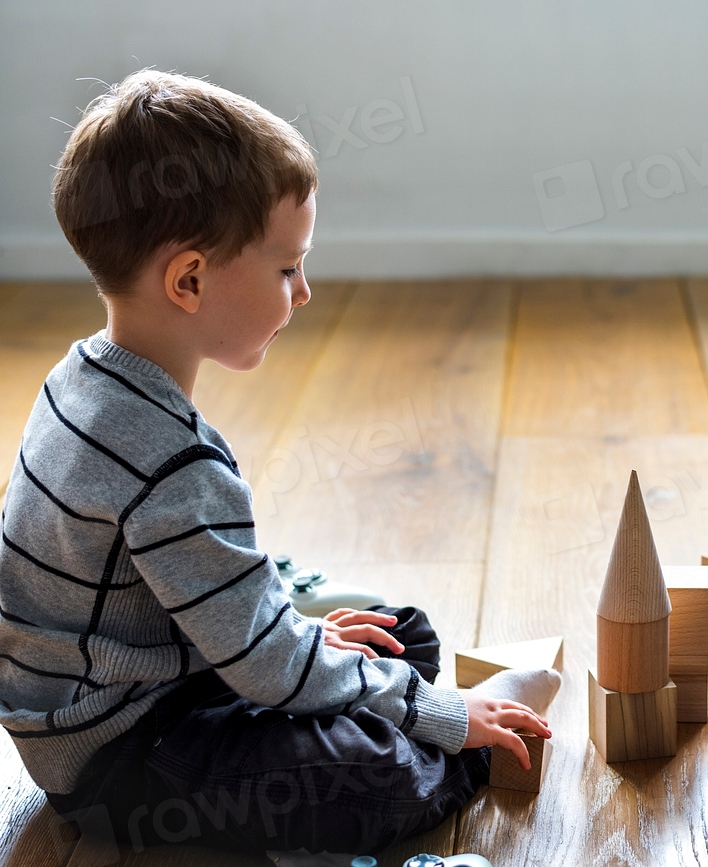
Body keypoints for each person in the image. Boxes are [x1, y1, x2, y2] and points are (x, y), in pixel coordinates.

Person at [0, 70, 559, 857]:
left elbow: (173, 604)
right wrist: (443, 719)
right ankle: (466, 743)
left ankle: (403, 709)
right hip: (122, 763)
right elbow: (259, 663)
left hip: (156, 691)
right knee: (372, 778)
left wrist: (298, 636)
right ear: (189, 280)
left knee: (401, 637)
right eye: (287, 267)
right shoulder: (172, 463)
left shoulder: (77, 380)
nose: (304, 292)